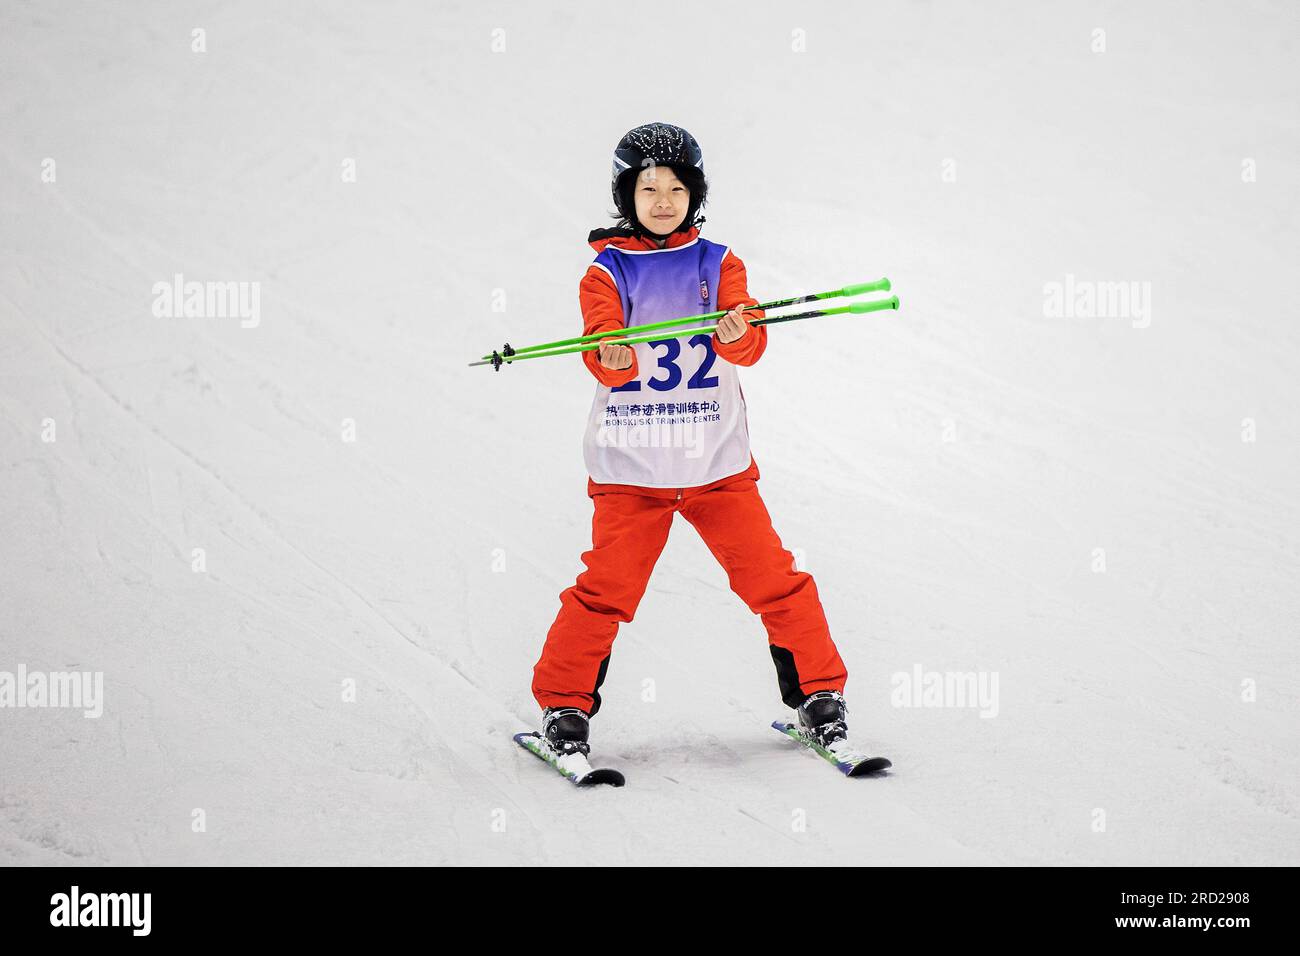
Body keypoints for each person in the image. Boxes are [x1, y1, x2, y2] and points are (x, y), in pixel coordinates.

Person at [530, 122, 852, 763]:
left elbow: (750, 343)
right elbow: (601, 350)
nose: (662, 200)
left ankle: (819, 696)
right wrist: (613, 352)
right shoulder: (607, 271)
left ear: (694, 194)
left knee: (775, 581)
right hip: (633, 466)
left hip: (716, 464)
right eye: (647, 188)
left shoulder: (718, 262)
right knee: (606, 592)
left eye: (676, 188)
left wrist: (736, 331)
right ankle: (564, 707)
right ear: (627, 196)